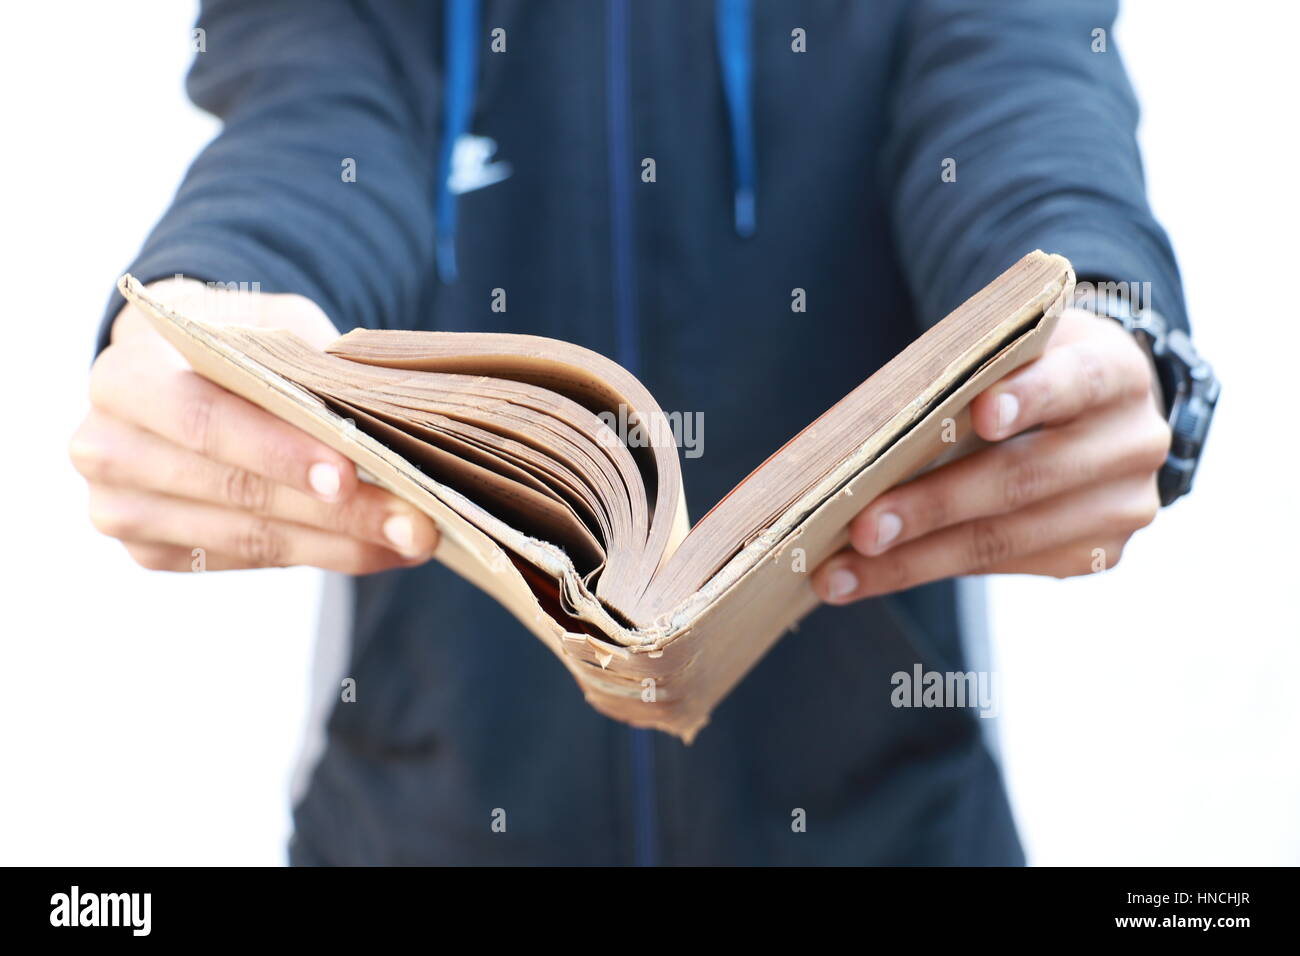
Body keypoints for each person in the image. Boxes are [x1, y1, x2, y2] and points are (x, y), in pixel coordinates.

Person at [69, 0, 1214, 865]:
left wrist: (1108, 316)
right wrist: (204, 309)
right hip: (410, 825)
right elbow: (303, 129)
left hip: (894, 827)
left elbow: (1026, 101)